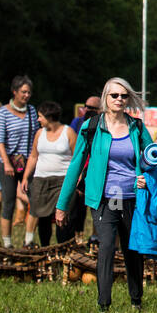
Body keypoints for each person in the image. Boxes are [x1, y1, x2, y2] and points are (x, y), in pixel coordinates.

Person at [54, 78, 154, 313]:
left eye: (124, 96)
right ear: (105, 98)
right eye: (114, 96)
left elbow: (154, 158)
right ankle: (103, 305)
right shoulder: (91, 127)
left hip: (131, 196)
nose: (119, 100)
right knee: (106, 246)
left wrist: (146, 176)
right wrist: (62, 204)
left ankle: (136, 300)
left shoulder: (137, 127)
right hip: (104, 198)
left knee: (133, 251)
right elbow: (75, 166)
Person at [17, 102, 76, 246]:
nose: (38, 120)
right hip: (41, 179)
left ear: (49, 117)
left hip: (62, 180)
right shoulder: (39, 133)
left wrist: (77, 179)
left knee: (61, 216)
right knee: (42, 216)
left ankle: (63, 248)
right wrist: (25, 177)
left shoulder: (68, 132)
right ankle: (45, 248)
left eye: (40, 117)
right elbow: (33, 156)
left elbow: (76, 158)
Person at [0, 77, 39, 248]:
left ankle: (28, 240)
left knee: (35, 200)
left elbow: (36, 136)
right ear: (14, 92)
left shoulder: (32, 111)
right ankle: (7, 243)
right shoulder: (4, 112)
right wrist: (6, 162)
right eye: (23, 92)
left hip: (28, 162)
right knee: (9, 201)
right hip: (8, 162)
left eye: (29, 92)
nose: (27, 95)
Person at [67, 94, 100, 241]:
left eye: (92, 108)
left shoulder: (104, 124)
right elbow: (75, 147)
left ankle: (95, 236)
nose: (87, 109)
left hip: (96, 170)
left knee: (97, 206)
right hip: (82, 168)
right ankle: (77, 237)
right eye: (86, 106)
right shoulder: (78, 122)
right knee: (78, 208)